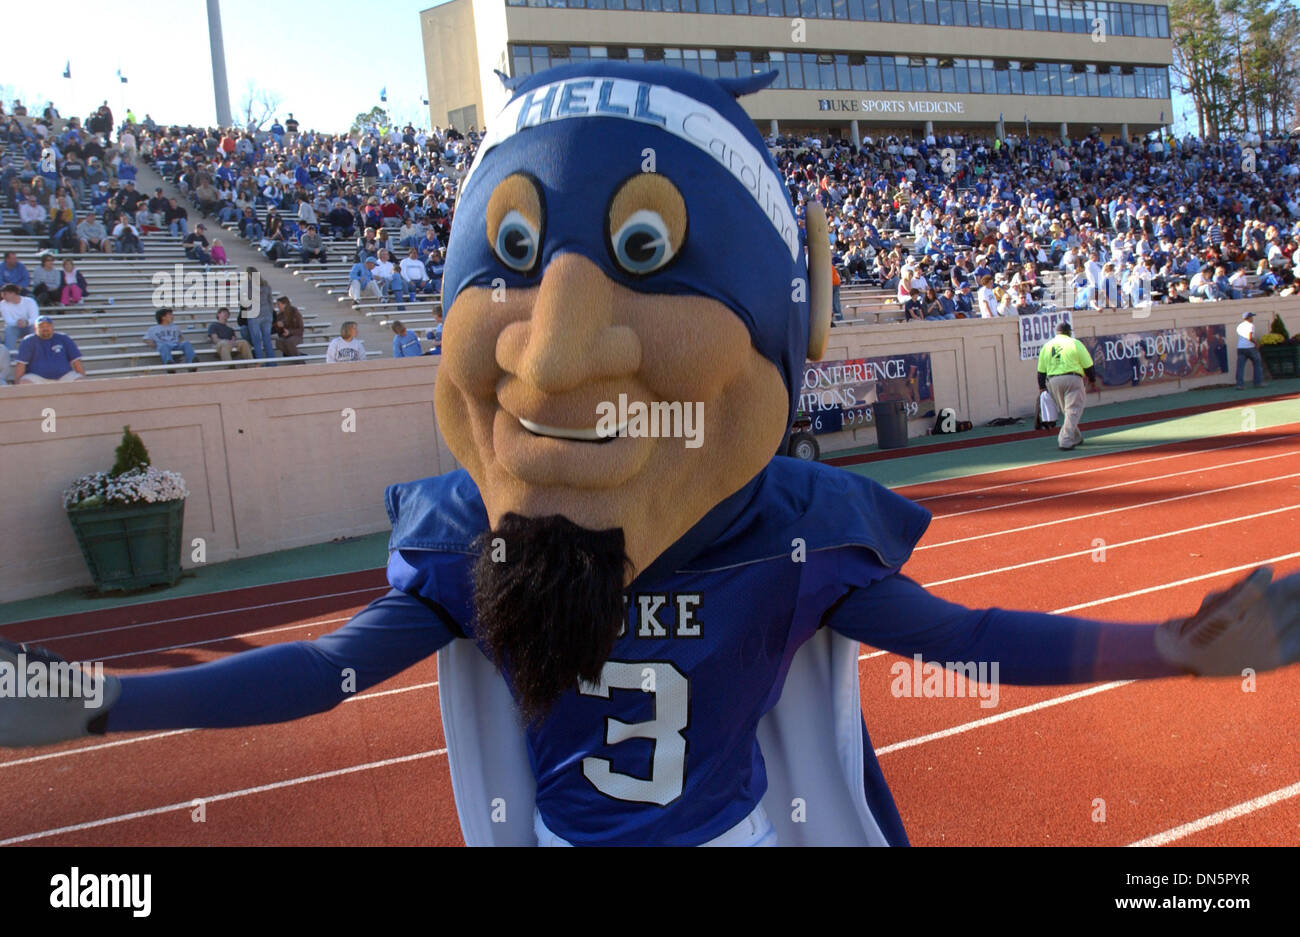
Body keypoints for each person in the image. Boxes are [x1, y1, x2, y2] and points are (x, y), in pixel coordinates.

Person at [5, 63, 1299, 851]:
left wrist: (112, 702)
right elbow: (974, 639)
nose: (558, 357)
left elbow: (309, 678)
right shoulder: (522, 540)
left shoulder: (776, 534)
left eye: (640, 260)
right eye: (512, 264)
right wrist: (1161, 651)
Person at [1036, 320, 1098, 451]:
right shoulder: (1075, 343)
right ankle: (1065, 440)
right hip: (1072, 379)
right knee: (1073, 410)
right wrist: (1092, 380)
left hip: (1053, 381)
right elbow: (1088, 365)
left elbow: (1041, 371)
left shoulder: (1047, 346)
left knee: (1068, 411)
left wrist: (1042, 387)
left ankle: (1076, 437)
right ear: (1069, 332)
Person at [13, 315, 85, 383]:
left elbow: (76, 361)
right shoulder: (28, 341)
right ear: (35, 328)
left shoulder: (63, 338)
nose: (45, 328)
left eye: (48, 326)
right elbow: (21, 365)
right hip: (37, 377)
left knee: (80, 382)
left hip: (64, 376)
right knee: (24, 383)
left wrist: (83, 379)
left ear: (52, 327)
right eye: (41, 326)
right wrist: (17, 385)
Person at [1235, 311, 1266, 390]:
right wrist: (1256, 343)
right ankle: (1257, 382)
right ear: (1248, 318)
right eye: (1251, 317)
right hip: (1250, 347)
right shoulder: (1250, 325)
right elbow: (1250, 337)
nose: (1252, 318)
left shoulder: (1239, 326)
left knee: (1240, 367)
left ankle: (1239, 384)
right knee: (1257, 364)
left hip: (1240, 347)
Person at [1, 284, 38, 350]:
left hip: (29, 326)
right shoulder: (2, 304)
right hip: (14, 327)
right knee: (9, 329)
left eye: (4, 294)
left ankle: (36, 351)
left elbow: (35, 318)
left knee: (35, 327)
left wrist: (26, 322)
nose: (3, 296)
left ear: (12, 293)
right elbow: (8, 320)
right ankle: (9, 353)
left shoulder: (29, 301)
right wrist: (17, 322)